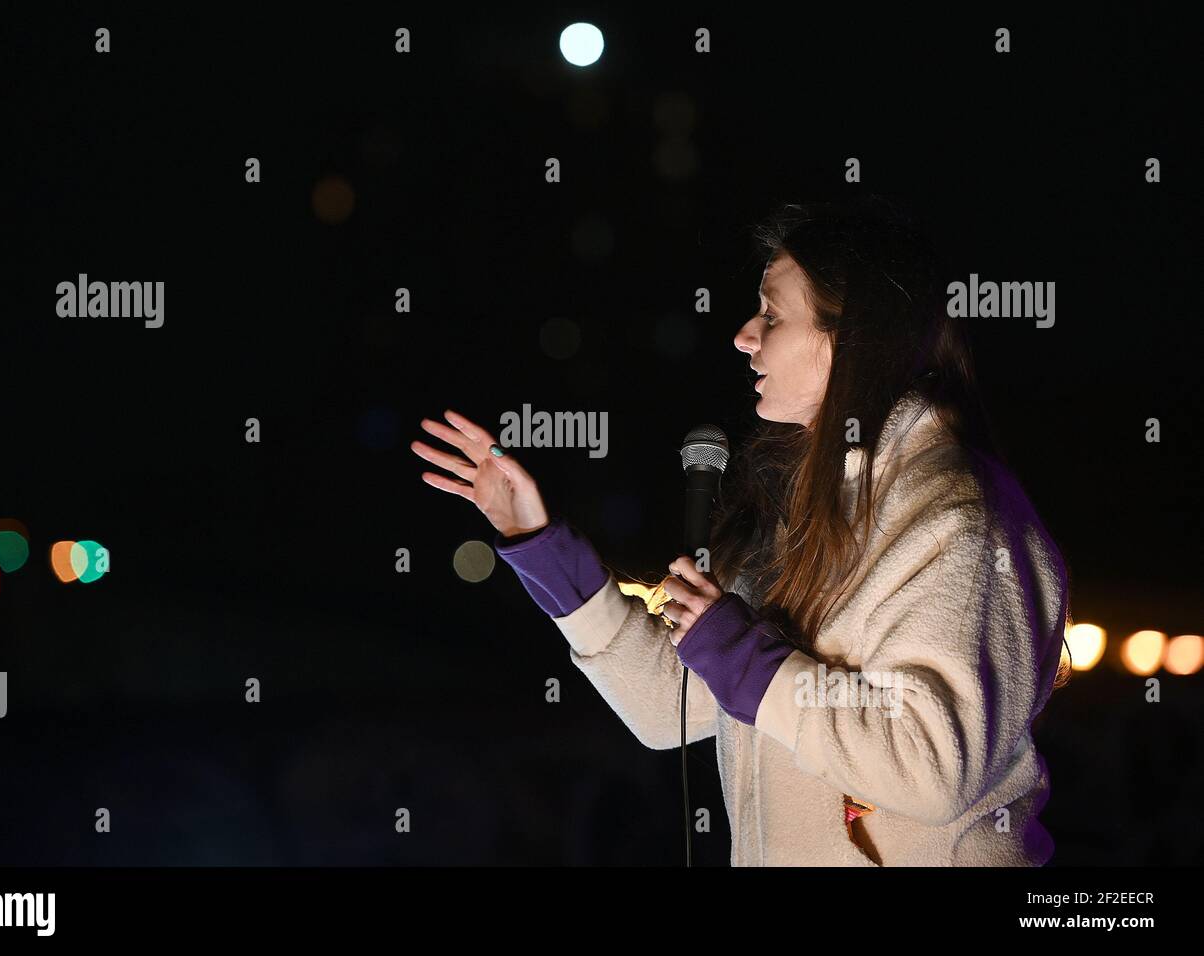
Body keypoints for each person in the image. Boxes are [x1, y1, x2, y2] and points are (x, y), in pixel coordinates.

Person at [410, 197, 1070, 866]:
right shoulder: (805, 513)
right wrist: (543, 546)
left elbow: (933, 767)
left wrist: (748, 659)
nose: (744, 336)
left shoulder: (957, 518)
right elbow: (672, 707)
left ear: (853, 338)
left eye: (772, 316)